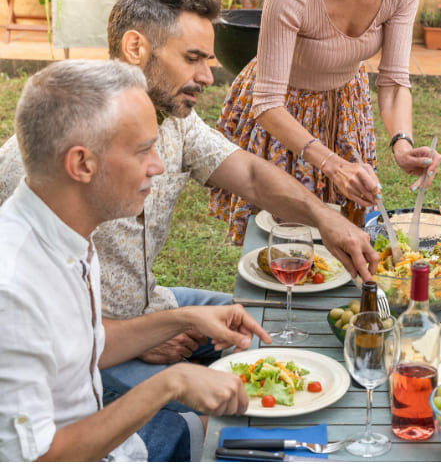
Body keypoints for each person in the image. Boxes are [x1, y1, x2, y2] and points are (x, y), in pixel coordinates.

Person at [0, 0, 377, 407]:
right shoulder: (38, 170)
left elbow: (250, 175)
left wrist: (325, 218)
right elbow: (44, 335)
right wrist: (149, 335)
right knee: (221, 411)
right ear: (136, 47)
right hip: (90, 352)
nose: (207, 77)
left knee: (268, 326)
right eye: (193, 58)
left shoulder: (174, 118)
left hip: (151, 307)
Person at [0, 60, 272, 461]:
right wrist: (171, 383)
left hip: (121, 449)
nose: (158, 166)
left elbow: (86, 346)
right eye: (144, 150)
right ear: (82, 164)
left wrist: (183, 318)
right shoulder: (13, 289)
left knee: (263, 436)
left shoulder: (66, 232)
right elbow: (37, 458)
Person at [208, 0, 441, 244]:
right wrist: (333, 165)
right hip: (283, 114)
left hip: (346, 107)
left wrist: (402, 143)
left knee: (346, 234)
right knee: (284, 242)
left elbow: (394, 81)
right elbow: (267, 103)